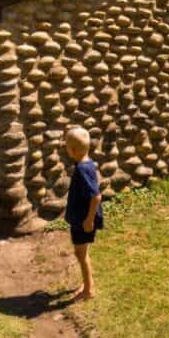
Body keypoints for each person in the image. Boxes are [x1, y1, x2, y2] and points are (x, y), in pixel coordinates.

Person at [63, 126, 103, 301]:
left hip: (83, 219)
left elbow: (96, 196)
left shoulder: (82, 169)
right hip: (81, 217)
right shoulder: (87, 163)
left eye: (66, 145)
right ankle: (88, 283)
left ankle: (88, 290)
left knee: (80, 253)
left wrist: (88, 219)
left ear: (72, 150)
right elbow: (97, 180)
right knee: (83, 252)